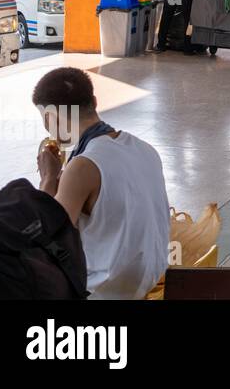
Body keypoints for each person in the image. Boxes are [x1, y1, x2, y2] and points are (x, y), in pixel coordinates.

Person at [33, 67, 170, 299]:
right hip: (150, 280)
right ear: (94, 102)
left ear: (50, 118)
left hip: (102, 291)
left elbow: (48, 236)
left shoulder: (82, 166)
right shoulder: (146, 149)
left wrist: (48, 178)